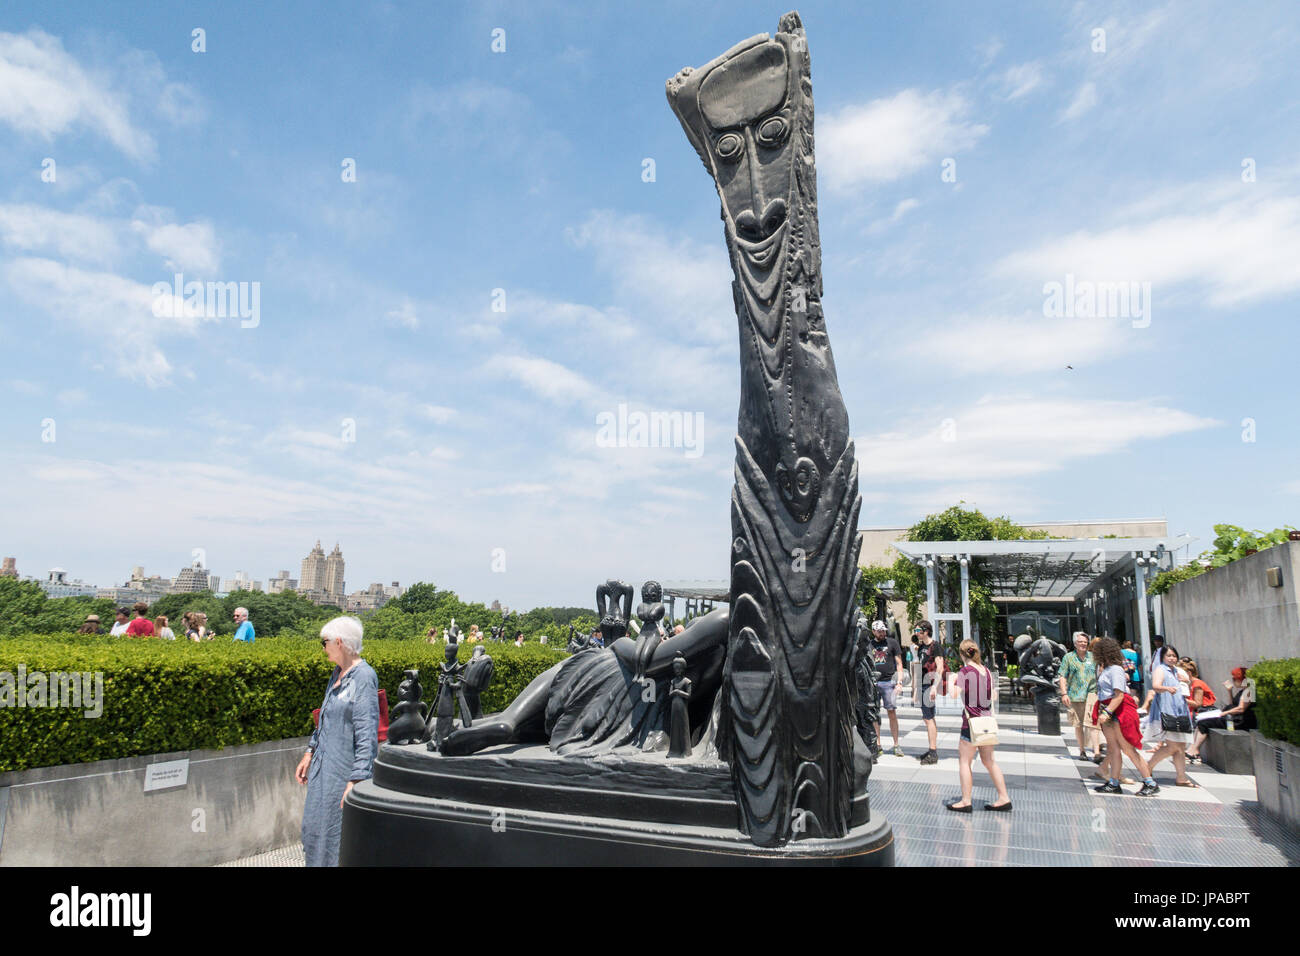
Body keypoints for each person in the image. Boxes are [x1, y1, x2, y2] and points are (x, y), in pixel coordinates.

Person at [295, 616, 379, 867]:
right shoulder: (338, 673)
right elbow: (325, 717)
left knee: (335, 837)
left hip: (343, 773)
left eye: (325, 642)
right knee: (313, 832)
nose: (323, 648)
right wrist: (309, 752)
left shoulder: (363, 677)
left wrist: (356, 780)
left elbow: (367, 732)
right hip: (322, 770)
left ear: (339, 642)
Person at [944, 640, 1011, 812]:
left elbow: (953, 695)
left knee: (965, 762)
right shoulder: (987, 671)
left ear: (961, 654)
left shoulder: (965, 672)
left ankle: (966, 801)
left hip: (971, 723)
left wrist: (952, 679)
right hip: (986, 721)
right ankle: (1004, 797)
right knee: (989, 761)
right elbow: (994, 696)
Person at [1092, 637, 1159, 796]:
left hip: (1118, 711)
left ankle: (1150, 782)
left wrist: (1107, 711)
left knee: (1128, 749)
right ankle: (1114, 782)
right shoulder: (1107, 668)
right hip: (1109, 709)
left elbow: (1119, 695)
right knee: (1114, 749)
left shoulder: (1115, 669)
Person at [1145, 645, 1197, 787]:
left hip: (1179, 711)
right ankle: (1147, 766)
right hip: (1167, 711)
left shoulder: (1176, 671)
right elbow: (1156, 686)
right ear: (1162, 657)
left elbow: (1187, 682)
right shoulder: (1161, 669)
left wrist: (1184, 680)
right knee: (1173, 746)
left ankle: (1181, 777)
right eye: (1169, 655)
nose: (1172, 658)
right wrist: (1167, 688)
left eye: (1174, 655)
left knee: (1180, 747)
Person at [1191, 667, 1256, 756]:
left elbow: (1241, 708)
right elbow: (1232, 704)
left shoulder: (1249, 691)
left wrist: (1223, 713)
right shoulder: (1244, 690)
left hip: (1239, 721)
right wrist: (1229, 691)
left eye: (1235, 679)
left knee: (1204, 723)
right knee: (1201, 722)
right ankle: (1192, 748)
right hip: (1233, 717)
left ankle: (1195, 750)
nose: (1233, 681)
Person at [1058, 631, 1099, 762]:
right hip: (1074, 696)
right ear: (1075, 644)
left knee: (1093, 724)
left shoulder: (1093, 657)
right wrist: (1064, 693)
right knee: (1078, 725)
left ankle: (1097, 752)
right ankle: (1082, 750)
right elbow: (1062, 676)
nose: (1083, 644)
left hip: (1092, 694)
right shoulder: (1068, 658)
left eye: (1085, 642)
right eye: (1080, 642)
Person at [867, 620, 905, 757]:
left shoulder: (892, 643)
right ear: (873, 631)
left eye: (883, 630)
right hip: (873, 683)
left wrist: (899, 681)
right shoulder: (869, 644)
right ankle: (878, 745)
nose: (882, 633)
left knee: (891, 712)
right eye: (879, 631)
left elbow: (899, 663)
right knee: (874, 715)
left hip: (889, 682)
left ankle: (896, 745)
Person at [913, 621, 943, 765]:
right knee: (928, 718)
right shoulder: (921, 647)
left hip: (929, 684)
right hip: (922, 685)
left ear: (926, 631)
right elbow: (919, 667)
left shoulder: (935, 646)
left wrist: (934, 687)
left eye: (918, 630)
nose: (916, 632)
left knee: (929, 718)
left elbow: (940, 667)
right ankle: (932, 749)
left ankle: (933, 753)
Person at [1183, 660, 1215, 762]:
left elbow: (1198, 703)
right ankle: (1191, 750)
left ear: (1188, 673)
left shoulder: (1197, 684)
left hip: (1205, 710)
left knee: (1199, 721)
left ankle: (1193, 751)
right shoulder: (1191, 683)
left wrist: (1182, 699)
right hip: (1198, 712)